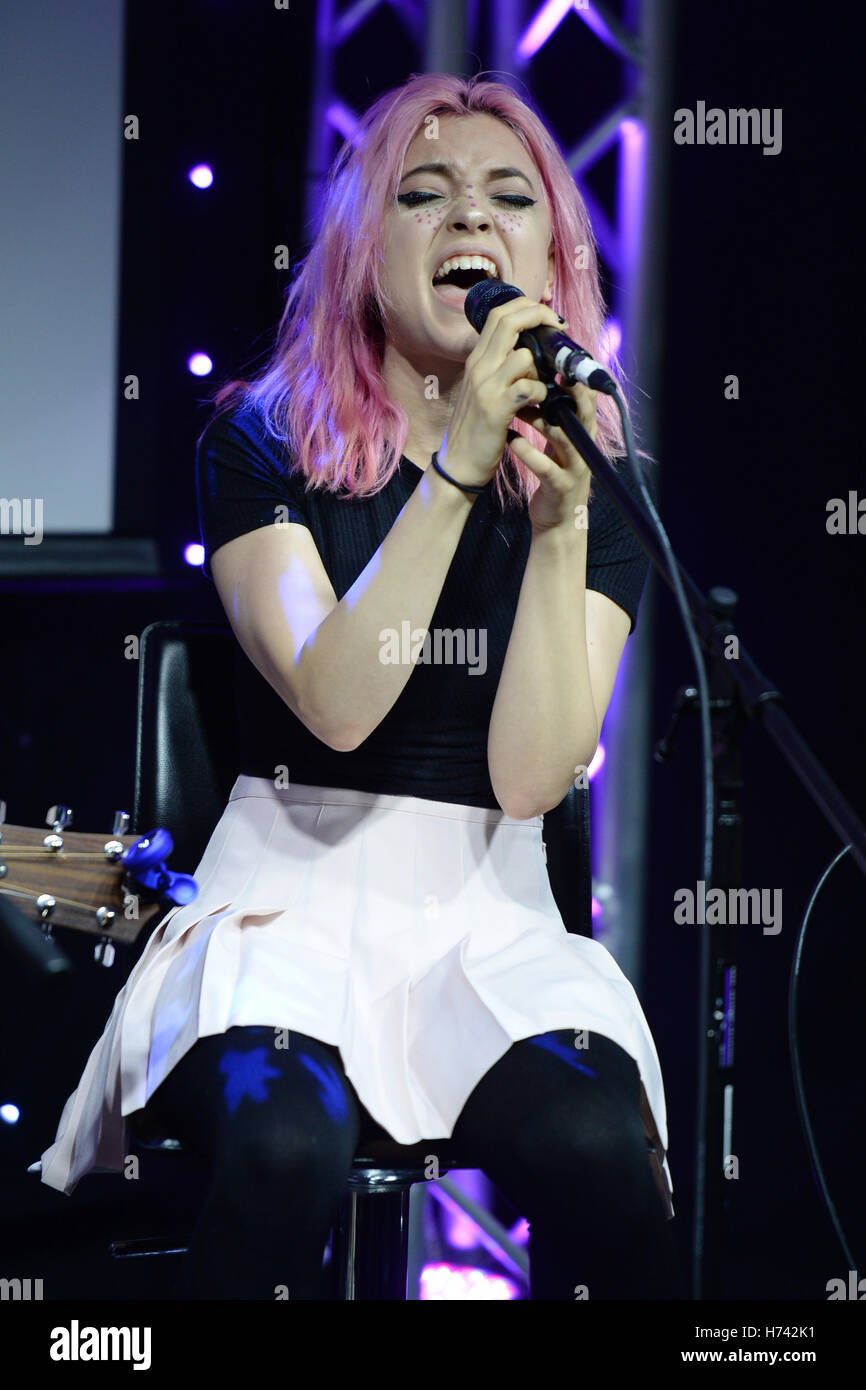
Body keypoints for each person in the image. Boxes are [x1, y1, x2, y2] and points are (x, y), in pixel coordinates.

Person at [37, 72, 685, 1301]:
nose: (469, 225)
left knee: (599, 1146)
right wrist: (450, 472)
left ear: (550, 251)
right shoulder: (260, 442)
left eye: (507, 198)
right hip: (284, 909)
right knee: (285, 1143)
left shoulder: (589, 477)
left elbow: (529, 779)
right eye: (422, 196)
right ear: (360, 248)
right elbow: (338, 701)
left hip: (485, 916)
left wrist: (553, 535)